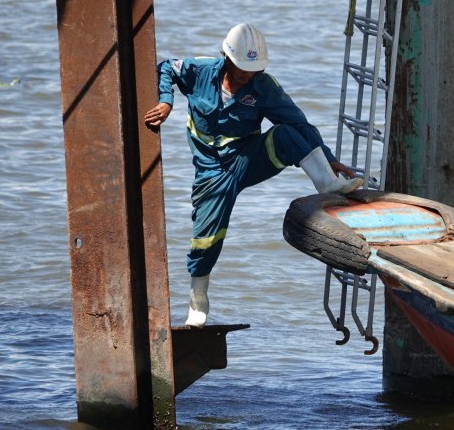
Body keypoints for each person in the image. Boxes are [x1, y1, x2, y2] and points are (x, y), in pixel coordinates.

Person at [144, 23, 362, 327]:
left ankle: (325, 181)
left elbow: (300, 124)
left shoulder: (264, 87)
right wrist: (166, 100)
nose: (248, 75)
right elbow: (166, 67)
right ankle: (197, 300)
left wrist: (329, 159)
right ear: (226, 57)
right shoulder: (200, 71)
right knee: (207, 237)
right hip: (211, 171)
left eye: (253, 70)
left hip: (248, 159)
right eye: (242, 69)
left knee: (287, 134)